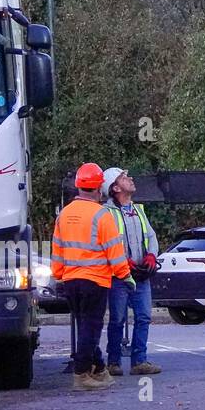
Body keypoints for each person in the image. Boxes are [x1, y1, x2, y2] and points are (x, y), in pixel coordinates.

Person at [51, 163, 133, 390]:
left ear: (78, 186)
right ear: (99, 188)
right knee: (91, 328)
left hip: (70, 281)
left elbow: (57, 249)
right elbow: (114, 251)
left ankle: (100, 369)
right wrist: (125, 276)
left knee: (85, 326)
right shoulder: (102, 215)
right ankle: (81, 375)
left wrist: (58, 275)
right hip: (95, 280)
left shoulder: (64, 214)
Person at [102, 167, 162, 376]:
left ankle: (139, 361)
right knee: (117, 319)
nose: (131, 179)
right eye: (124, 178)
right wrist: (122, 260)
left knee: (143, 317)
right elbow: (106, 243)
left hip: (140, 275)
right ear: (115, 187)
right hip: (119, 275)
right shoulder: (107, 213)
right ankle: (113, 362)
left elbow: (151, 237)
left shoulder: (137, 210)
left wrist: (151, 256)